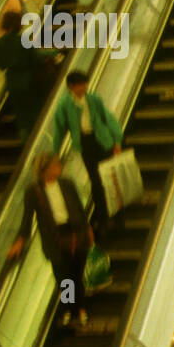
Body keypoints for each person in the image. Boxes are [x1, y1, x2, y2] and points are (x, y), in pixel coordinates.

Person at [10, 151, 94, 328]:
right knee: (63, 277)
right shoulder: (33, 192)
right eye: (55, 166)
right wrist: (20, 240)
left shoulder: (67, 184)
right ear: (44, 170)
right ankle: (68, 309)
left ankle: (80, 309)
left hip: (76, 235)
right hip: (54, 240)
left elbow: (79, 208)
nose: (59, 168)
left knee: (76, 275)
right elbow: (27, 218)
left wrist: (88, 230)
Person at [51, 70, 124, 237]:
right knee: (96, 182)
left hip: (103, 141)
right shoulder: (65, 105)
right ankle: (103, 220)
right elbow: (59, 130)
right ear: (71, 86)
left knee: (112, 179)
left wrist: (117, 141)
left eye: (85, 84)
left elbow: (108, 119)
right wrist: (55, 154)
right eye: (81, 85)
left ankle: (119, 217)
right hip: (86, 145)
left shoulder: (93, 99)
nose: (85, 87)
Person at [0, 10, 58, 140]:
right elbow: (36, 58)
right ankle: (42, 139)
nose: (22, 26)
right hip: (29, 80)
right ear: (16, 24)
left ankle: (26, 142)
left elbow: (0, 65)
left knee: (22, 116)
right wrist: (52, 53)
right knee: (37, 113)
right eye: (20, 23)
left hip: (12, 83)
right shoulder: (22, 40)